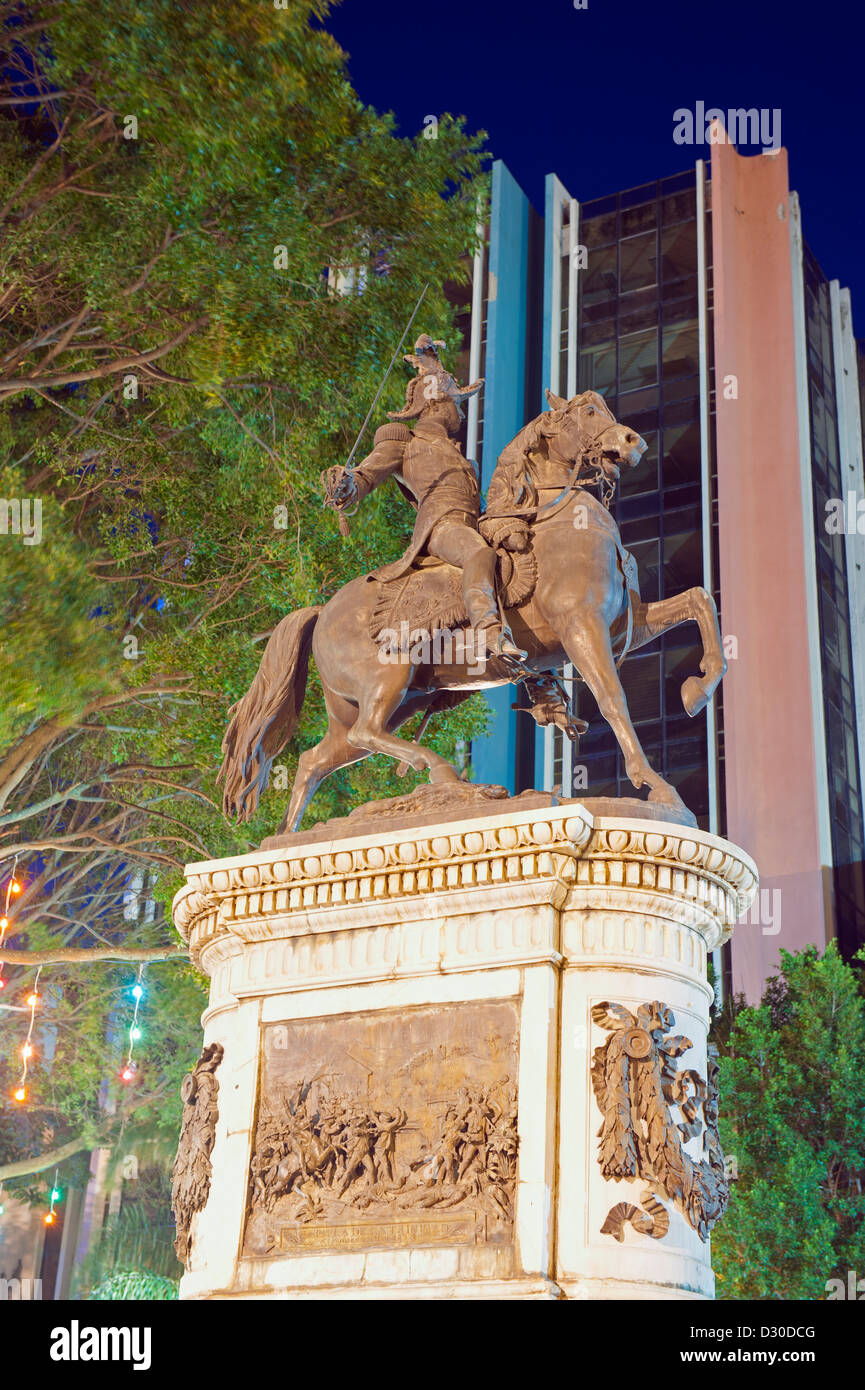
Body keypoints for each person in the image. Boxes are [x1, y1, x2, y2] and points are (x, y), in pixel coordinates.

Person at [327, 334, 527, 663]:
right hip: (442, 526)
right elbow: (366, 474)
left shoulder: (464, 458)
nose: (461, 413)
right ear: (435, 403)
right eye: (456, 403)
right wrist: (349, 484)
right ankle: (488, 629)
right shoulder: (404, 442)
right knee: (478, 553)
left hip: (477, 522)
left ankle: (542, 681)